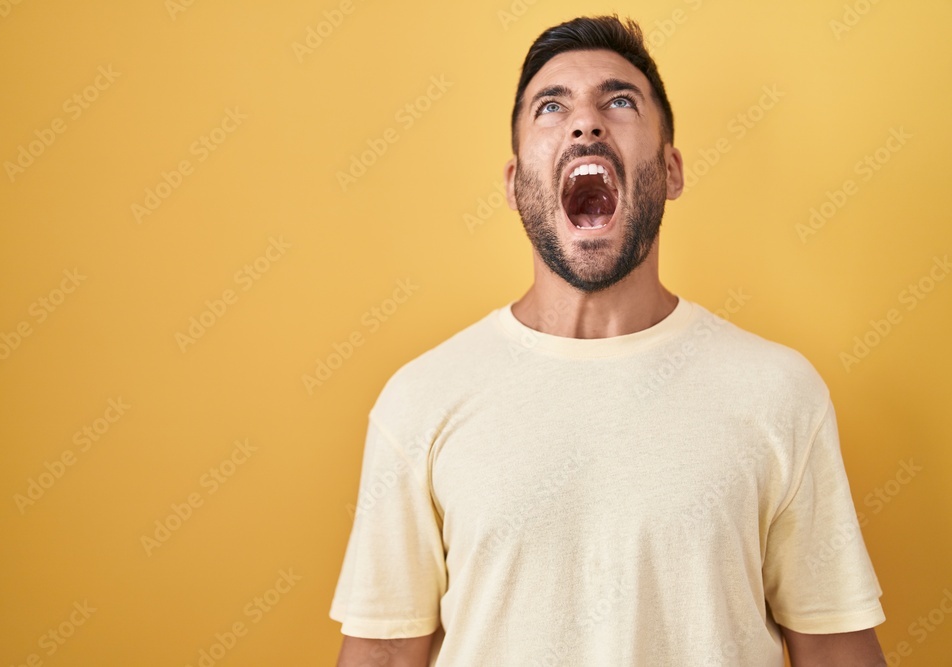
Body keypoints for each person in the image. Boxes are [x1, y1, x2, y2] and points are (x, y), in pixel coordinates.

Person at [330, 14, 886, 666]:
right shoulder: (420, 400)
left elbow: (832, 646)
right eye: (551, 106)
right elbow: (387, 655)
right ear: (514, 185)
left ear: (672, 170)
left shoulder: (781, 392)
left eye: (619, 100)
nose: (586, 122)